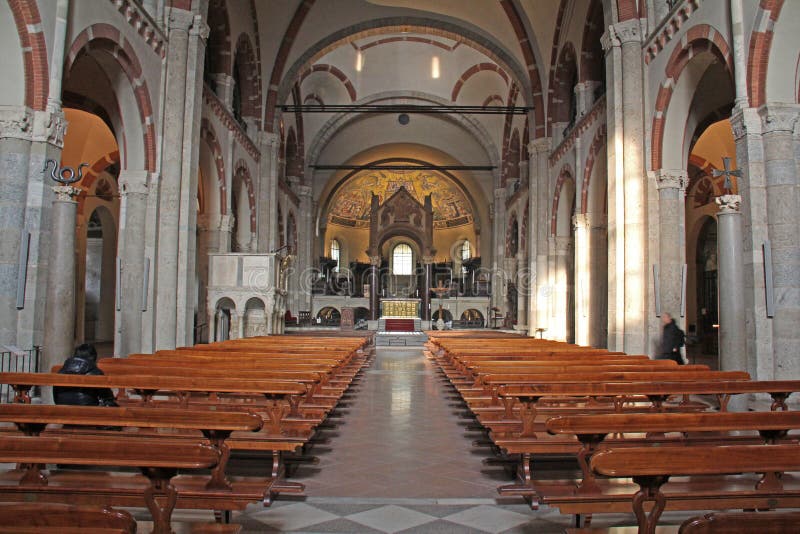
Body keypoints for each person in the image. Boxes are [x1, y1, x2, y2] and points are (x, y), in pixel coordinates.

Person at [53, 344, 118, 407]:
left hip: (63, 411)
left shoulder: (61, 371)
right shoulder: (96, 372)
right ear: (93, 358)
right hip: (88, 412)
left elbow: (55, 397)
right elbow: (107, 397)